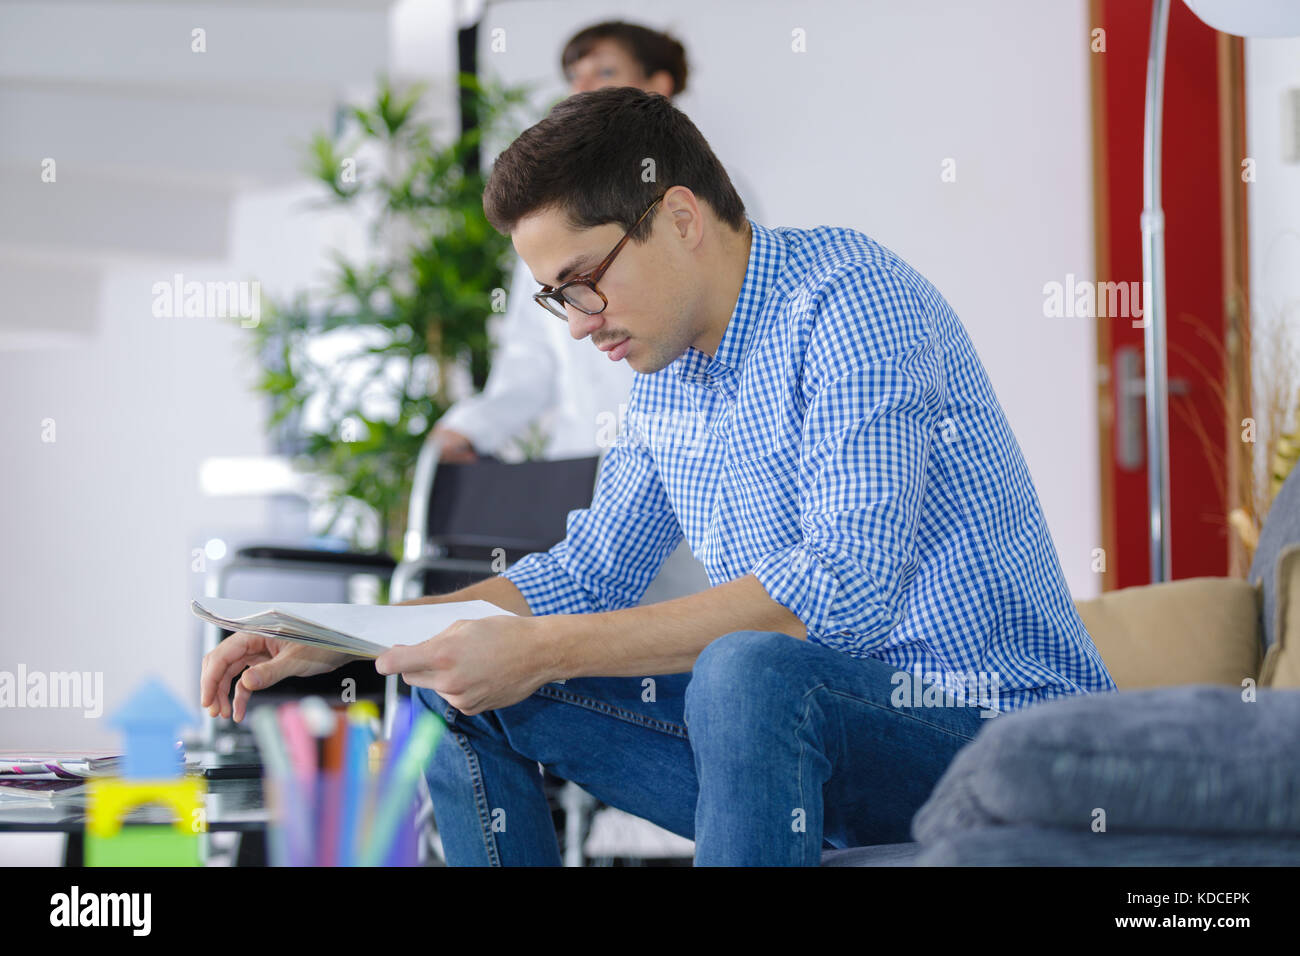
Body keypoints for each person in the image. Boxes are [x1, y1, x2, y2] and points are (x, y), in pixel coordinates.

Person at [202, 87, 1117, 866]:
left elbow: (837, 598)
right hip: (799, 739)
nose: (575, 323)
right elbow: (585, 573)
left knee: (748, 671)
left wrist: (546, 651)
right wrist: (342, 635)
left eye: (583, 280)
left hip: (988, 736)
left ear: (679, 218)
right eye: (555, 297)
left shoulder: (849, 303)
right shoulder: (667, 378)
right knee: (457, 678)